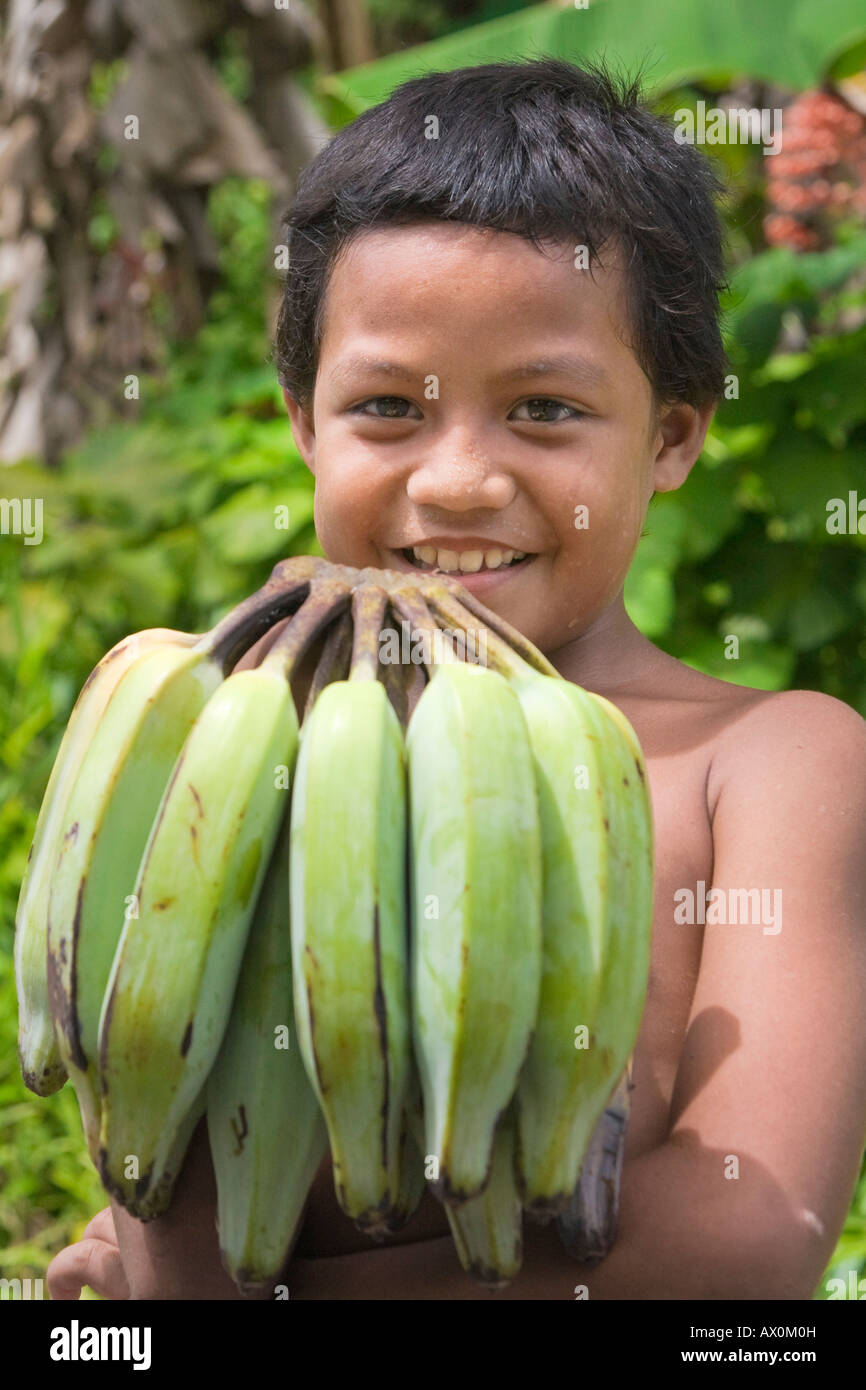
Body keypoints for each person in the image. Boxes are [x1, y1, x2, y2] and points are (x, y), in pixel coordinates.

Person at [47, 57, 866, 1301]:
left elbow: (745, 1238)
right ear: (302, 426)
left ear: (671, 435)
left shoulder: (772, 763)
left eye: (542, 409)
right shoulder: (226, 747)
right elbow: (170, 1177)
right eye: (385, 407)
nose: (458, 481)